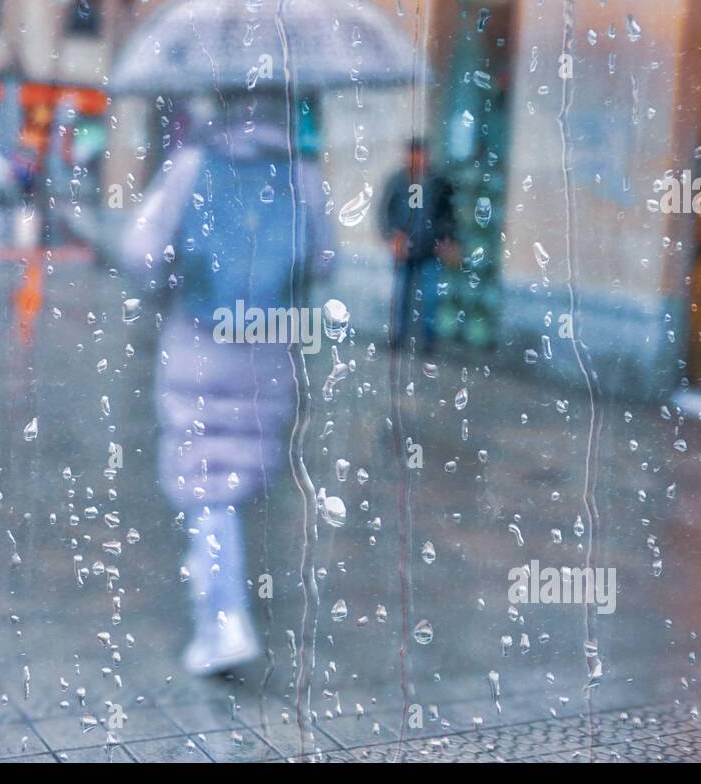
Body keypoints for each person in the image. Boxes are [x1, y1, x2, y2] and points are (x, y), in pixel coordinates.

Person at [122, 92, 331, 675]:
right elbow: (326, 258)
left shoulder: (193, 164)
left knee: (207, 485)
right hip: (268, 343)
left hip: (199, 341)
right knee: (234, 480)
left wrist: (171, 273)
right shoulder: (301, 171)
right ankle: (226, 612)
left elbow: (141, 252)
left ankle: (224, 621)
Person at [380, 137, 458, 353]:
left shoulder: (439, 181)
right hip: (404, 250)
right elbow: (385, 212)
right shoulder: (396, 181)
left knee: (431, 297)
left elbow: (449, 215)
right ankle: (397, 337)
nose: (417, 159)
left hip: (430, 249)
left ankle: (429, 339)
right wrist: (392, 237)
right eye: (413, 154)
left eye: (420, 154)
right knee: (400, 295)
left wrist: (446, 239)